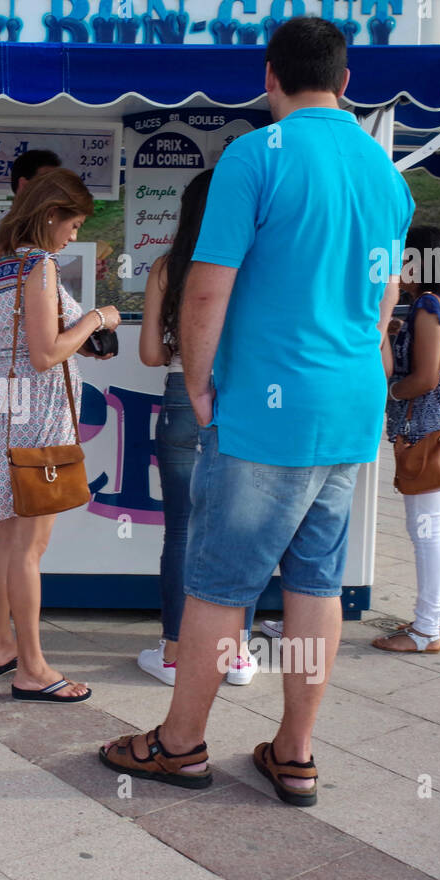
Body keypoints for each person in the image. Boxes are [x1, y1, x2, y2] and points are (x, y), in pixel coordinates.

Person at [100, 16, 414, 804]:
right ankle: (295, 752)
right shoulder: (386, 173)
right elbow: (385, 298)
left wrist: (200, 380)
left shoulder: (254, 156)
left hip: (266, 407)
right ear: (346, 83)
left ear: (270, 74)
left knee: (220, 585)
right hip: (348, 409)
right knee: (315, 587)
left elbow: (206, 285)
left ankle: (179, 745)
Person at [0, 168, 119, 702]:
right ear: (50, 215)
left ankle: (3, 646)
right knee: (30, 546)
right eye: (72, 224)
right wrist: (95, 318)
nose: (74, 235)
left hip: (1, 404)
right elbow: (46, 352)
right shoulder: (41, 266)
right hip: (38, 410)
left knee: (4, 536)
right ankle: (33, 669)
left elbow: (22, 340)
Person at [135, 171, 261, 688]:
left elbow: (149, 354)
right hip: (246, 402)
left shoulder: (168, 268)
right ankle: (234, 656)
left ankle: (172, 653)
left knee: (184, 530)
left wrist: (177, 346)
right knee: (243, 529)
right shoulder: (256, 263)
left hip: (181, 397)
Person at [373, 225, 440, 653]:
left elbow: (424, 378)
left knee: (426, 530)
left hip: (430, 428)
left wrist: (388, 393)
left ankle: (424, 632)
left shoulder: (427, 308)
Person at [0, 149, 62, 245]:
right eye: (47, 183)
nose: (55, 189)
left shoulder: (53, 221)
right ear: (24, 185)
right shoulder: (3, 227)